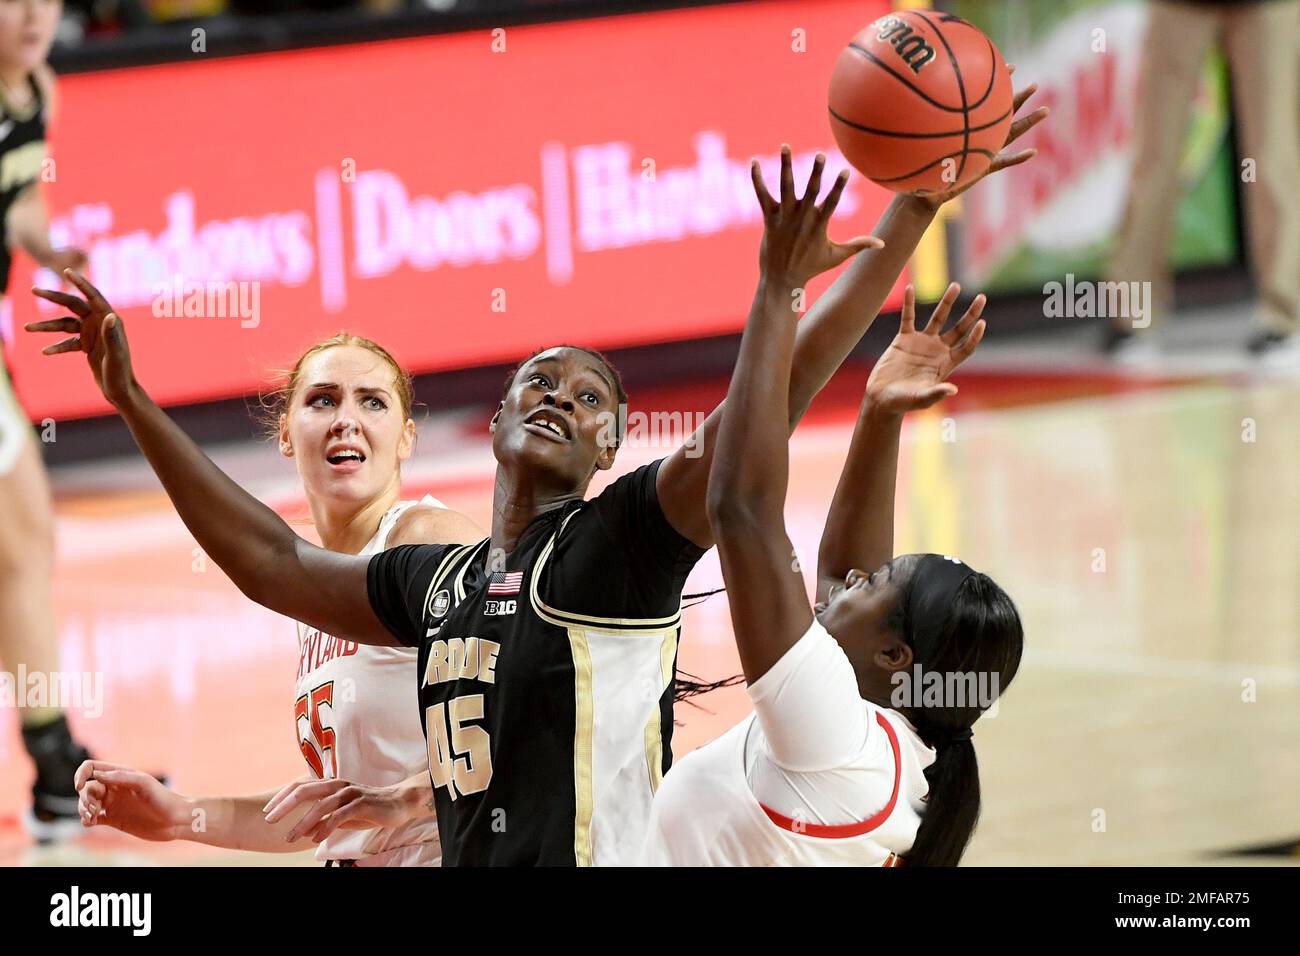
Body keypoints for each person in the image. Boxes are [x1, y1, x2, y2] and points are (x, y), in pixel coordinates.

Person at [29, 82, 1044, 865]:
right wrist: (136, 402)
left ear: (609, 450)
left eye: (593, 394)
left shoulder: (619, 544)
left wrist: (891, 221)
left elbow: (756, 424)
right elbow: (266, 559)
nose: (561, 391)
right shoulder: (443, 580)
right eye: (539, 378)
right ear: (499, 415)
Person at [641, 154, 1022, 866]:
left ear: (894, 656)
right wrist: (877, 416)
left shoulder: (832, 738)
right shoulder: (890, 741)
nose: (848, 581)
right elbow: (843, 570)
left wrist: (779, 288)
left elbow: (741, 508)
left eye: (871, 586)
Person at [73, 332, 482, 865]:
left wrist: (407, 799)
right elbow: (333, 814)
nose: (346, 418)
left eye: (372, 401)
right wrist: (180, 815)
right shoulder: (318, 597)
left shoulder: (426, 538)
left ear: (406, 438)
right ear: (286, 433)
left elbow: (513, 720)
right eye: (322, 399)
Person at [0, 0, 97, 840]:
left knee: (26, 546)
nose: (33, 16)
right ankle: (53, 760)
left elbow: (18, 198)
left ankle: (54, 757)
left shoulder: (40, 90)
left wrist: (51, 250)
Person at [1102, 0, 1300, 364]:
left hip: (1271, 7)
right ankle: (1133, 317)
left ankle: (1287, 319)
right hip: (1179, 6)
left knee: (1274, 156)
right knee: (1156, 153)